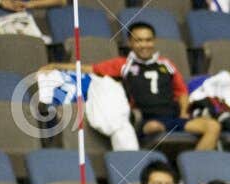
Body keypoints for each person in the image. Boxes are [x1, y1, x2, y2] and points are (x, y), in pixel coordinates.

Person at [92, 23, 221, 149]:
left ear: (154, 41)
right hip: (144, 120)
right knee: (154, 127)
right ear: (130, 43)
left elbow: (182, 93)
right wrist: (72, 66)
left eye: (148, 40)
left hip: (172, 117)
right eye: (139, 40)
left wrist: (183, 113)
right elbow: (91, 69)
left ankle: (194, 167)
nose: (144, 45)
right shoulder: (123, 65)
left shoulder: (166, 64)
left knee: (213, 127)